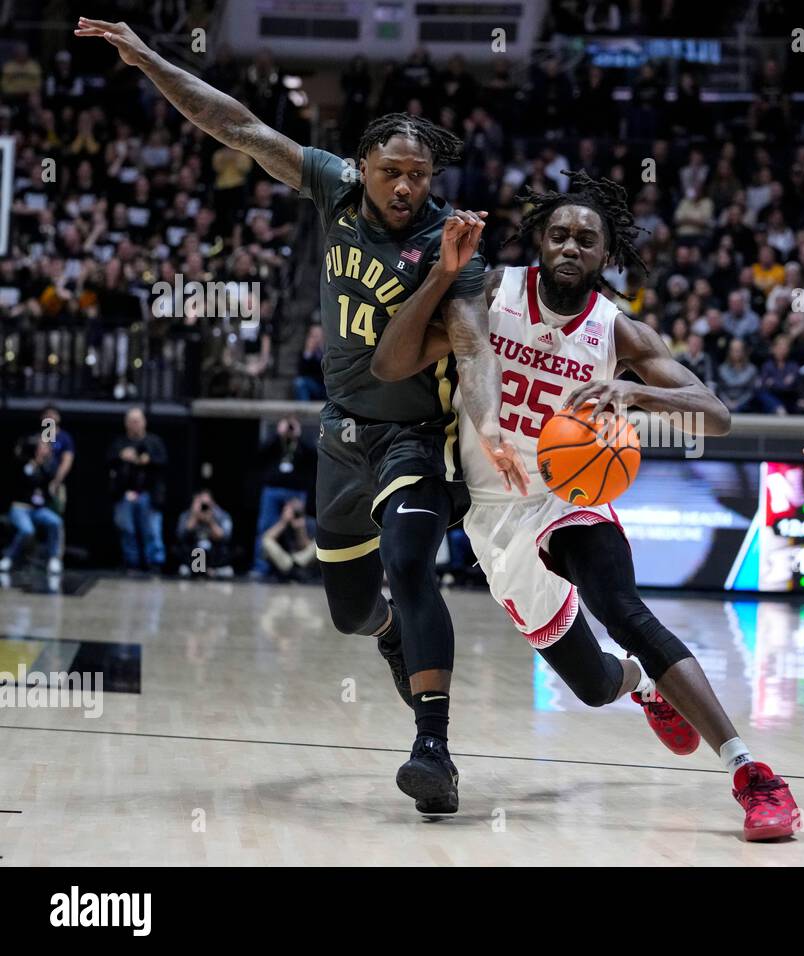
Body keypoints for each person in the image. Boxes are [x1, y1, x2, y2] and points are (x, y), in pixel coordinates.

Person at [76, 18, 527, 815]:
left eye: (419, 176)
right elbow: (238, 125)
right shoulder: (332, 188)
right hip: (341, 431)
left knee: (413, 560)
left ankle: (434, 749)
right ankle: (390, 636)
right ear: (364, 168)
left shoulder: (453, 245)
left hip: (413, 437)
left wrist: (487, 426)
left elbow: (471, 343)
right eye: (392, 172)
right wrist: (150, 61)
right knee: (354, 612)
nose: (405, 189)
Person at [373, 171, 801, 841]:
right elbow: (390, 363)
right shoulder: (491, 293)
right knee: (594, 684)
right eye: (560, 234)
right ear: (541, 241)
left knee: (622, 608)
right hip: (493, 515)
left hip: (569, 498)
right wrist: (435, 286)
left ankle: (754, 776)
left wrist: (636, 397)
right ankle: (642, 685)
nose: (571, 246)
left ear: (605, 256)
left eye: (586, 239)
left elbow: (716, 415)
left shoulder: (618, 333)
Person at [252, 415, 316, 577]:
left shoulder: (302, 445)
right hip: (272, 490)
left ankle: (301, 566)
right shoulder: (274, 443)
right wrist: (277, 434)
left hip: (296, 491)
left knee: (300, 526)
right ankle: (261, 568)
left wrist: (298, 436)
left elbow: (314, 455)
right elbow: (260, 453)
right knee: (266, 527)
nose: (289, 429)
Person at [106, 407, 168, 573]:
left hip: (148, 494)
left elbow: (163, 461)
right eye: (131, 421)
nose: (134, 424)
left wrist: (147, 460)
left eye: (137, 420)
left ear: (144, 422)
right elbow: (108, 460)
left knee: (152, 530)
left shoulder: (153, 442)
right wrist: (121, 456)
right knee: (127, 530)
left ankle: (155, 563)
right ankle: (131, 562)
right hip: (125, 494)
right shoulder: (120, 443)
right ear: (126, 424)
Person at [2, 437, 64, 575]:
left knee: (55, 521)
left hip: (37, 510)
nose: (46, 449)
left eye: (47, 447)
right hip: (20, 508)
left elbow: (47, 489)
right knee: (27, 531)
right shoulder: (21, 464)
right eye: (43, 446)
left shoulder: (46, 468)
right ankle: (8, 557)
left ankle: (54, 558)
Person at [176, 490, 234, 578]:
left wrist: (210, 521)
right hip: (192, 555)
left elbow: (224, 537)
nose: (203, 507)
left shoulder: (221, 515)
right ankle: (198, 570)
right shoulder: (187, 515)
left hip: (215, 555)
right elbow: (182, 535)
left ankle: (211, 570)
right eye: (201, 503)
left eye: (206, 504)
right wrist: (194, 516)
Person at [260, 498, 318, 582]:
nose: (295, 513)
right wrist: (283, 522)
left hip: (303, 560)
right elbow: (267, 538)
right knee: (266, 541)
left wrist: (300, 530)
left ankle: (294, 566)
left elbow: (307, 548)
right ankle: (292, 567)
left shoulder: (309, 522)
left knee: (317, 544)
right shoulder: (282, 522)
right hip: (285, 560)